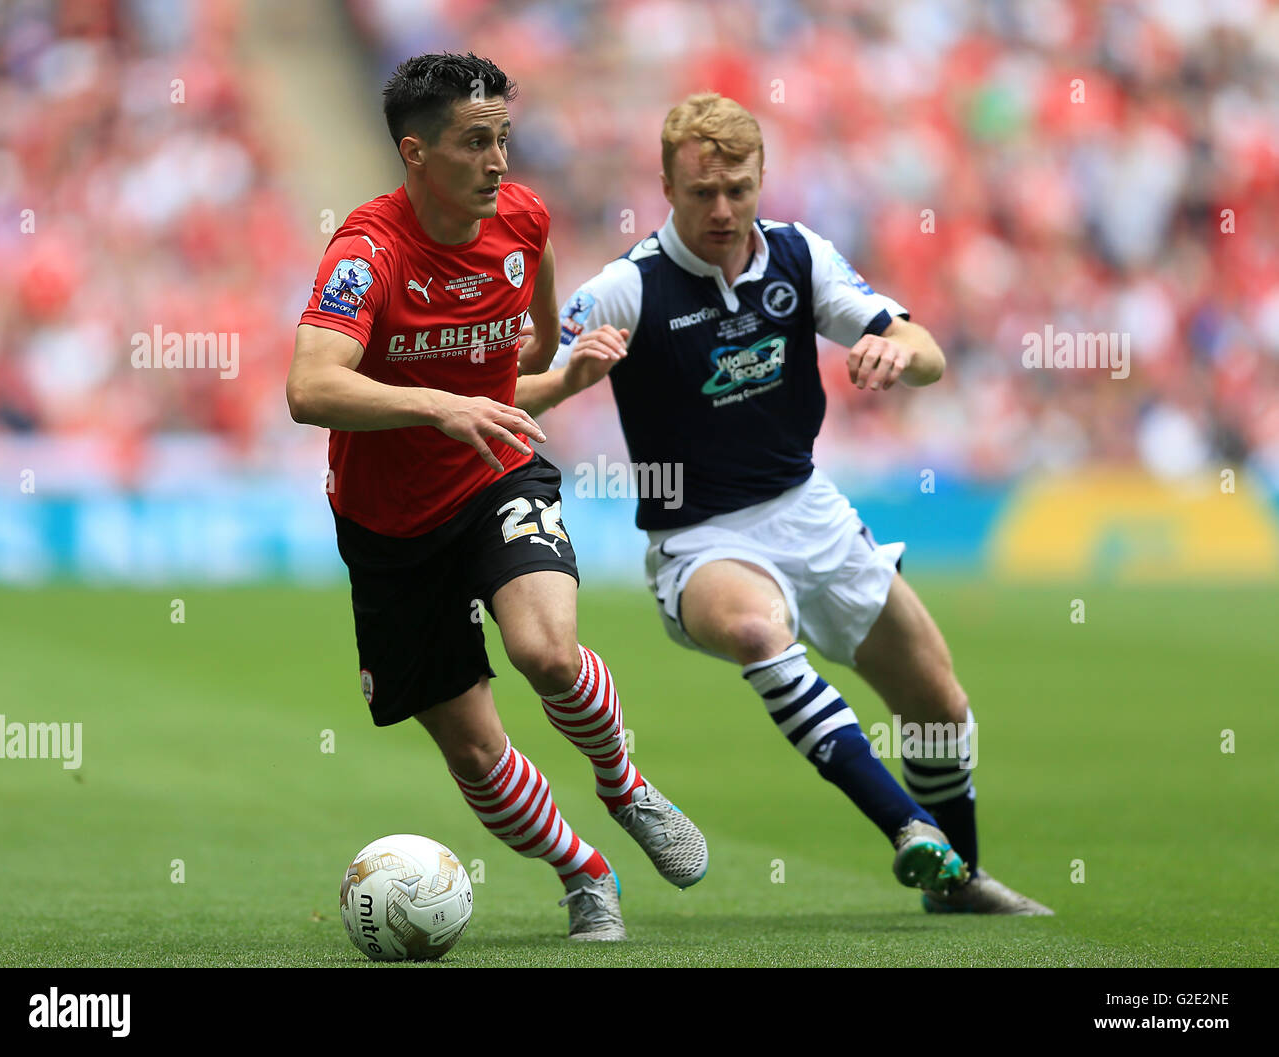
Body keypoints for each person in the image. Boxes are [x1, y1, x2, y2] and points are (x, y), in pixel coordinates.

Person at [516, 93, 1052, 914]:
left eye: (738, 188)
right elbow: (514, 387)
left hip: (810, 511)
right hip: (701, 538)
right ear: (666, 186)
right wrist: (569, 378)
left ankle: (960, 882)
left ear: (762, 177)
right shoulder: (629, 286)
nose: (723, 209)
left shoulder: (801, 256)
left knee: (938, 704)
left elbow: (929, 354)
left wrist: (891, 349)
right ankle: (908, 828)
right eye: (702, 193)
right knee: (759, 630)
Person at [286, 53, 708, 943]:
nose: (499, 162)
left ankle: (624, 782)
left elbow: (515, 367)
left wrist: (566, 374)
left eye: (504, 138)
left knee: (547, 652)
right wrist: (438, 404)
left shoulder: (522, 220)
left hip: (494, 479)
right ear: (415, 153)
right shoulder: (367, 252)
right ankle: (586, 874)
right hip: (388, 526)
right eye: (476, 143)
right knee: (475, 751)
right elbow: (310, 387)